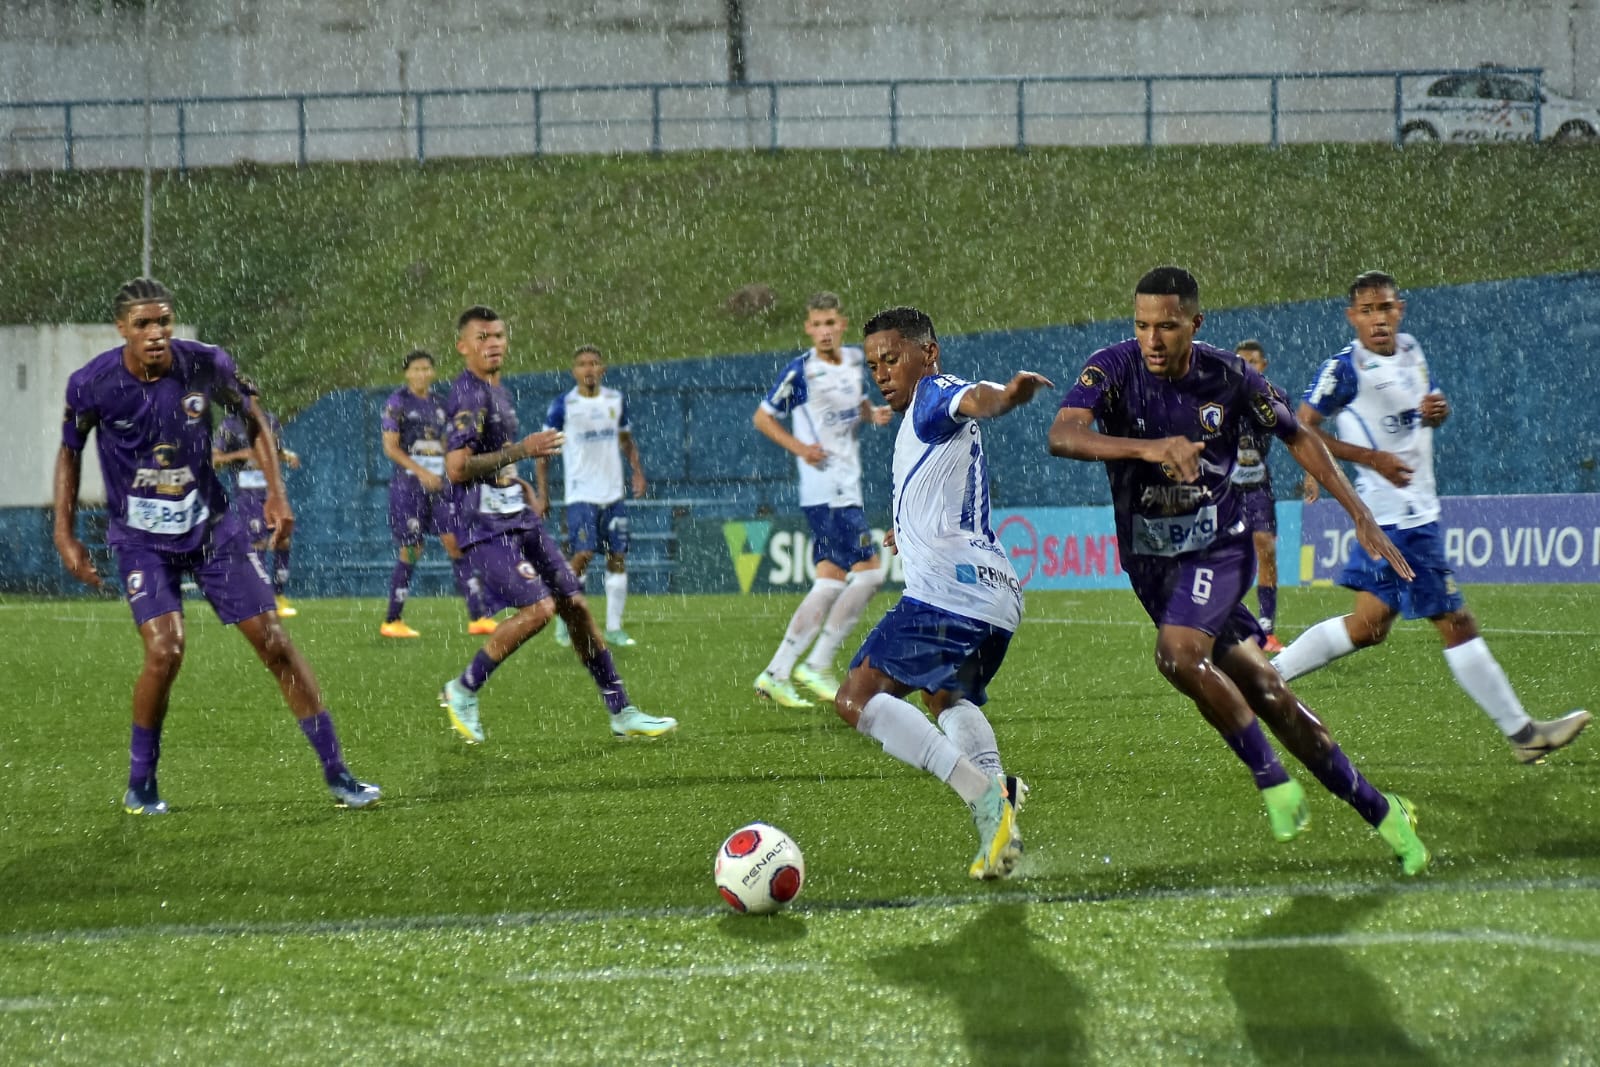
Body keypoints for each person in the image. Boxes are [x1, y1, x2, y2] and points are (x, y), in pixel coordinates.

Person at [1047, 265, 1429, 875]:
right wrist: (1151, 450)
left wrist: (1358, 511)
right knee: (1268, 691)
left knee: (1176, 655)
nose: (1152, 339)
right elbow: (1063, 435)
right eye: (1142, 325)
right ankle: (1385, 814)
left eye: (1167, 326)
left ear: (1195, 325)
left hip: (1218, 550)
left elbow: (1298, 433)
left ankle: (1274, 781)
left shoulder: (1228, 376)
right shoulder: (1113, 367)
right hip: (1152, 567)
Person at [53, 277, 380, 813]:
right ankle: (141, 785)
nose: (156, 333)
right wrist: (64, 533)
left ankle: (339, 774)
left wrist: (277, 494)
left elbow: (251, 418)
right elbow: (70, 451)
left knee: (275, 642)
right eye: (143, 324)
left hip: (211, 529)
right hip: (141, 541)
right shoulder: (92, 384)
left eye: (164, 321)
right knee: (165, 650)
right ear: (122, 330)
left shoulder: (206, 364)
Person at [1270, 270, 1590, 764]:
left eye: (1387, 309)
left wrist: (1437, 411)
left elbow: (1426, 407)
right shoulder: (1344, 369)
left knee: (1369, 625)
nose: (1379, 319)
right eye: (1368, 311)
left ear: (1400, 309)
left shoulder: (1413, 351)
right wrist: (1372, 459)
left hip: (1418, 509)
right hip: (1397, 519)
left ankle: (1265, 678)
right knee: (1454, 621)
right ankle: (1524, 734)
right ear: (1352, 317)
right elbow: (1302, 428)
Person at [833, 305, 1050, 880]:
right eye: (874, 364)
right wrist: (906, 528)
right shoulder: (916, 422)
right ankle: (999, 803)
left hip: (951, 594)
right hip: (995, 594)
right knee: (945, 699)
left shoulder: (934, 393)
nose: (881, 373)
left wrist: (1006, 395)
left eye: (892, 358)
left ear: (926, 353)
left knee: (855, 698)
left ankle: (984, 800)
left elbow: (973, 397)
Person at [435, 305, 677, 743]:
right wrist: (523, 451)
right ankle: (463, 688)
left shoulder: (498, 391)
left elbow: (496, 456)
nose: (493, 344)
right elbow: (456, 468)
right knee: (540, 609)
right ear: (463, 346)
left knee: (576, 607)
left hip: (515, 512)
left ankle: (621, 711)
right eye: (483, 337)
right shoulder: (468, 394)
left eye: (499, 336)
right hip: (483, 523)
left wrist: (517, 479)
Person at [751, 291, 893, 708]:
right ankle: (818, 662)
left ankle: (778, 670)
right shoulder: (803, 373)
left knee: (830, 581)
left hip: (847, 484)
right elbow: (762, 418)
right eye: (818, 324)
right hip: (826, 490)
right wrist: (801, 449)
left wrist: (871, 413)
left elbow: (854, 404)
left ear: (841, 324)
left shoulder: (852, 361)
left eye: (831, 323)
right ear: (808, 329)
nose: (825, 331)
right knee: (869, 575)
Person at [378, 348, 500, 638]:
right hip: (409, 486)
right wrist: (421, 473)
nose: (421, 374)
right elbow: (390, 447)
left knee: (456, 542)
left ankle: (478, 617)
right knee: (412, 549)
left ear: (432, 372)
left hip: (440, 485)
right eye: (416, 369)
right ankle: (392, 621)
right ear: (407, 373)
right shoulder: (397, 403)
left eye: (426, 369)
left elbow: (449, 443)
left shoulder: (439, 404)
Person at [535, 345, 647, 649]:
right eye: (583, 364)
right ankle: (562, 613)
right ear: (574, 371)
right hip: (581, 494)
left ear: (603, 369)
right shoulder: (564, 405)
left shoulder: (614, 400)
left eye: (594, 363)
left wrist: (637, 471)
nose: (588, 369)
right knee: (583, 555)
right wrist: (542, 493)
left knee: (617, 558)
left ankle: (614, 628)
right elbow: (543, 452)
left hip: (613, 494)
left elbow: (626, 440)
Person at [214, 404, 299, 616]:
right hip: (248, 491)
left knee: (283, 539)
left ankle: (279, 596)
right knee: (257, 543)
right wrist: (239, 454)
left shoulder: (269, 420)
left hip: (272, 489)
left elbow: (274, 452)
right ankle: (261, 598)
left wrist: (286, 455)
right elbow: (214, 459)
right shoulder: (229, 425)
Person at [1230, 339, 1285, 652]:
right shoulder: (1222, 397)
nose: (1247, 365)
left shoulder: (1272, 398)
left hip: (1258, 487)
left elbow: (1297, 436)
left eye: (1253, 360)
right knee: (1228, 557)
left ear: (1263, 365)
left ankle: (1267, 628)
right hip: (1225, 490)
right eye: (1241, 361)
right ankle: (1227, 625)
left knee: (1266, 548)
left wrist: (1311, 476)